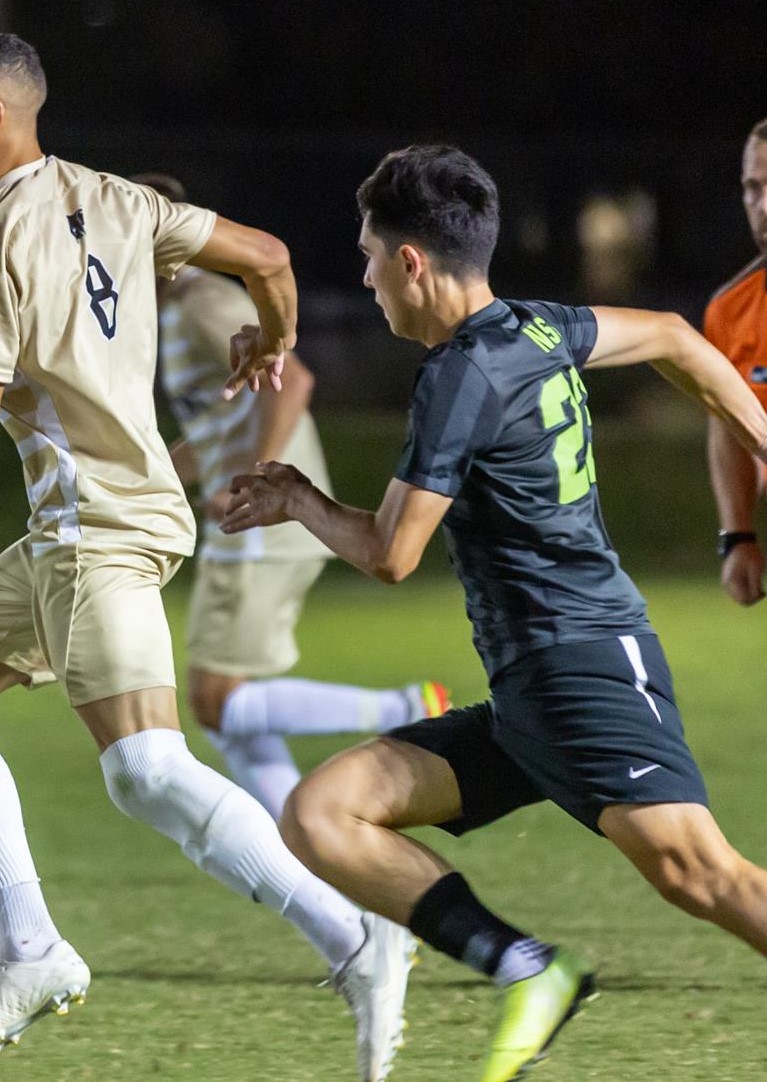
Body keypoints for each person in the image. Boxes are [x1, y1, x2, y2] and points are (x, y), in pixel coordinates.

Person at [0, 34, 412, 1081]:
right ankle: (32, 948)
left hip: (95, 530)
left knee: (147, 769)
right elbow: (268, 256)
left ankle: (353, 937)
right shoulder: (120, 198)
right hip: (80, 528)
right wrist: (273, 336)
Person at [224, 145, 767, 1082]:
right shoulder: (540, 326)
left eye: (368, 257)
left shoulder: (460, 376)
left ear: (410, 262)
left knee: (702, 877)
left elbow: (390, 554)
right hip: (529, 690)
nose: (365, 278)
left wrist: (300, 501)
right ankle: (530, 969)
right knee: (322, 813)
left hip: (583, 667)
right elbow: (677, 338)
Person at [133, 170, 451, 820]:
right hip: (257, 519)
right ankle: (298, 841)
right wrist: (144, 480)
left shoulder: (202, 303)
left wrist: (254, 476)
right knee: (229, 707)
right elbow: (219, 423)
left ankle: (404, 710)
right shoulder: (175, 309)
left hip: (262, 520)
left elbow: (292, 381)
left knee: (214, 701)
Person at [703, 117, 767, 606]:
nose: (763, 206)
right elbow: (727, 423)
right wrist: (738, 534)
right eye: (753, 188)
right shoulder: (729, 311)